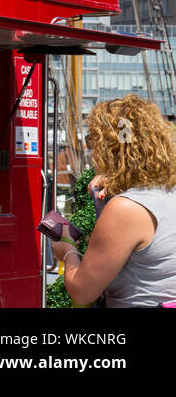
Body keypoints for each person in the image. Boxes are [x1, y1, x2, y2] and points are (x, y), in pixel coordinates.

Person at [53, 94, 176, 307]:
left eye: (94, 143)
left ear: (110, 150)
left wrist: (68, 251)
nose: (92, 154)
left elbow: (82, 293)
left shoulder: (126, 208)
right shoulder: (168, 191)